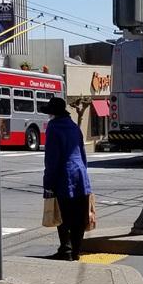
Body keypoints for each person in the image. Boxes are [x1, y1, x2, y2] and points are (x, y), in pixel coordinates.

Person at [42, 97, 92, 261]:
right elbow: (83, 155)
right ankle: (76, 250)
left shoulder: (53, 127)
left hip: (65, 176)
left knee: (63, 216)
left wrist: (48, 183)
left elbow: (52, 158)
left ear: (52, 113)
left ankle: (66, 249)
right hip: (81, 176)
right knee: (79, 216)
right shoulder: (74, 127)